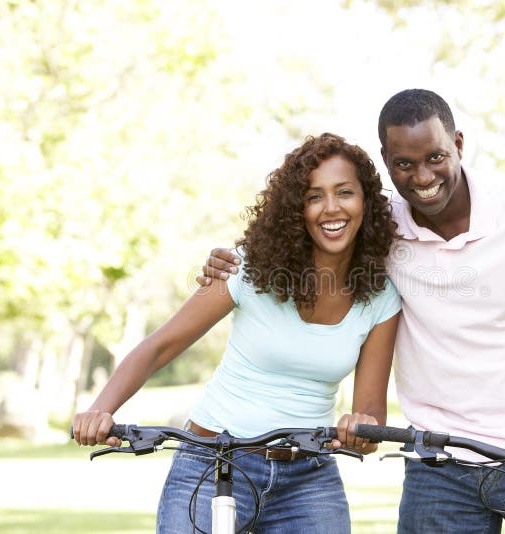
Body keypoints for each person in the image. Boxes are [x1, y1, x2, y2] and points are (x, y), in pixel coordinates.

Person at [200, 89, 505, 533]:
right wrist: (231, 259)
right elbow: (299, 239)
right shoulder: (378, 229)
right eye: (404, 164)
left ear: (458, 143)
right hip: (439, 467)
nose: (423, 177)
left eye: (435, 156)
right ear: (386, 162)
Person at [72, 132, 401, 534]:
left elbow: (371, 422)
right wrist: (100, 409)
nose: (331, 208)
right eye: (314, 196)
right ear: (297, 208)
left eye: (344, 192)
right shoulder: (246, 269)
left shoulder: (381, 295)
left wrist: (359, 431)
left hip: (308, 477)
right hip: (212, 463)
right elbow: (160, 346)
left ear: (365, 200)